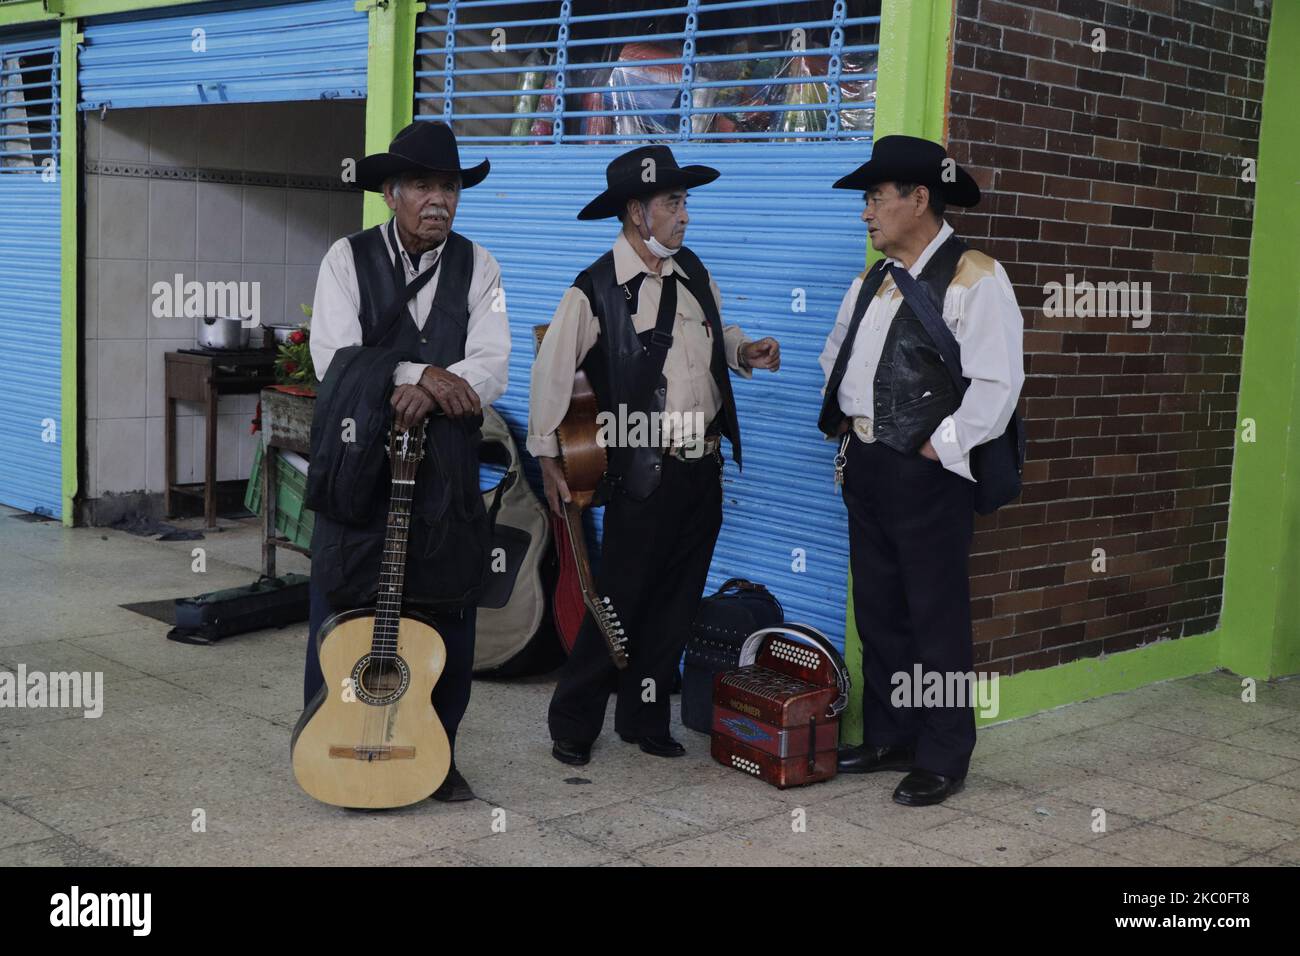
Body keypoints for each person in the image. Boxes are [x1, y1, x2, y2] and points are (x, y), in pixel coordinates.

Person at [528, 145, 781, 766]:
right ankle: (574, 721)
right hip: (644, 471)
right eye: (674, 202)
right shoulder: (591, 291)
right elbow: (551, 376)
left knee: (676, 600)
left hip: (704, 467)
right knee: (618, 599)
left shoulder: (692, 270)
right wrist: (548, 460)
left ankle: (645, 716)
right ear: (637, 211)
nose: (685, 215)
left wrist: (744, 351)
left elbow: (717, 332)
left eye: (685, 201)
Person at [303, 121, 510, 802]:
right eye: (422, 184)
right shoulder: (345, 259)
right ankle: (328, 733)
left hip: (444, 464)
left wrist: (439, 385)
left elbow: (492, 366)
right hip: (359, 461)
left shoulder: (479, 266)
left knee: (447, 601)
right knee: (344, 596)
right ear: (391, 192)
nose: (438, 198)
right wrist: (422, 373)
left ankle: (435, 752)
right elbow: (335, 361)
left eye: (448, 185)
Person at [818, 135, 1025, 806]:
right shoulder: (871, 280)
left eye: (876, 199)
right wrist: (855, 423)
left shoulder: (976, 277)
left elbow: (998, 385)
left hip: (931, 475)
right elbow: (836, 356)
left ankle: (943, 753)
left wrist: (941, 446)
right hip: (870, 467)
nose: (866, 214)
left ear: (919, 199)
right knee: (879, 611)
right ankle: (891, 735)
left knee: (936, 618)